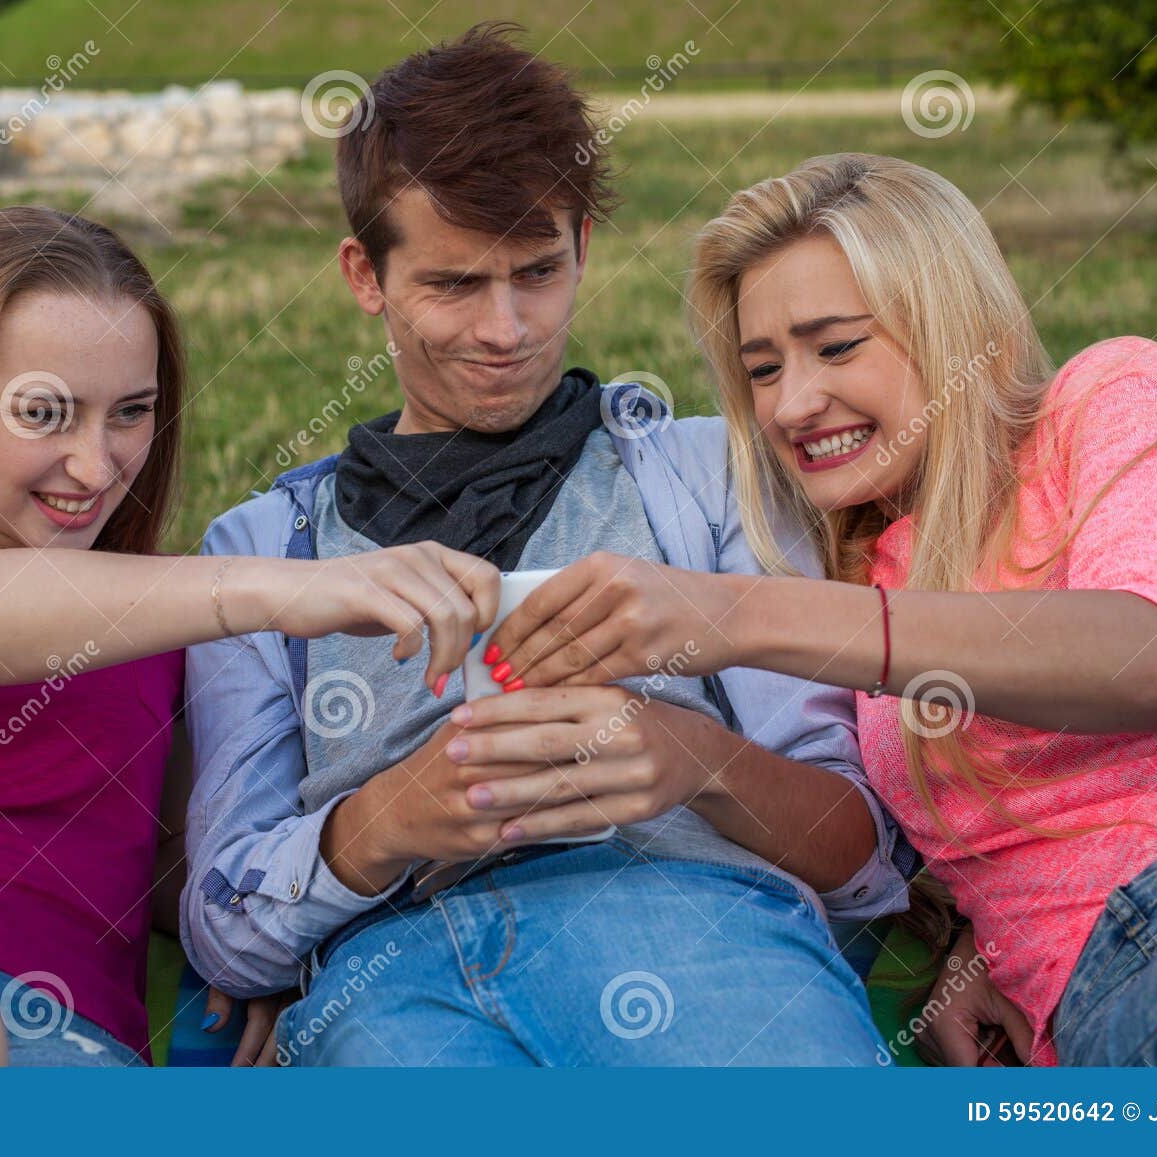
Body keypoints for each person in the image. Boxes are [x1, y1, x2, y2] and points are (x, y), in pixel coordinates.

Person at [181, 26, 909, 1067]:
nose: (506, 327)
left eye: (537, 271)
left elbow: (862, 859)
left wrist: (689, 757)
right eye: (452, 285)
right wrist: (385, 818)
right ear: (364, 275)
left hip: (692, 920)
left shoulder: (705, 476)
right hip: (395, 976)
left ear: (583, 252)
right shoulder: (263, 547)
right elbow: (222, 923)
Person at [485, 152, 1157, 1065]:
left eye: (836, 347)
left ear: (947, 327)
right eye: (761, 368)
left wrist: (740, 613)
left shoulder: (1110, 397)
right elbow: (907, 847)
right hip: (1127, 981)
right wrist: (965, 941)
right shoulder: (856, 572)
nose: (792, 402)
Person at [0, 206, 496, 1066]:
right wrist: (282, 586)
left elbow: (196, 873)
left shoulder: (164, 644)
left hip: (62, 1052)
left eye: (131, 412)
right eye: (45, 412)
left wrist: (278, 953)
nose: (97, 464)